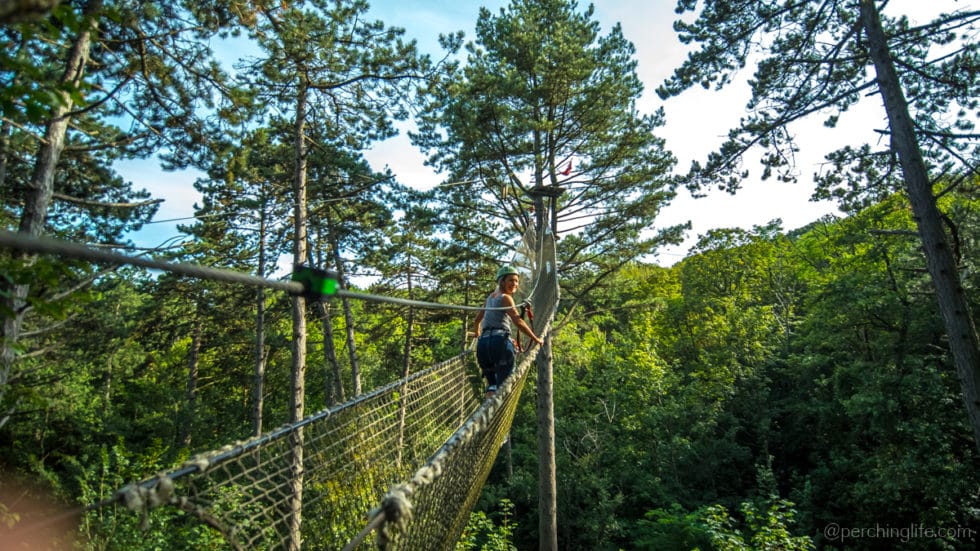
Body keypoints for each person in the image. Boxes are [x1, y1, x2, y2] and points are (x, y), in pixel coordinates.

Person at [473, 265, 544, 397]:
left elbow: (476, 320)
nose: (515, 284)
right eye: (511, 280)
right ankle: (499, 406)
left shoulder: (490, 298)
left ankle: (490, 407)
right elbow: (518, 322)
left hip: (482, 345)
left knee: (492, 386)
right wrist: (536, 339)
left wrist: (477, 333)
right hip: (499, 343)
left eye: (516, 281)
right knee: (504, 385)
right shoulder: (505, 297)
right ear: (502, 281)